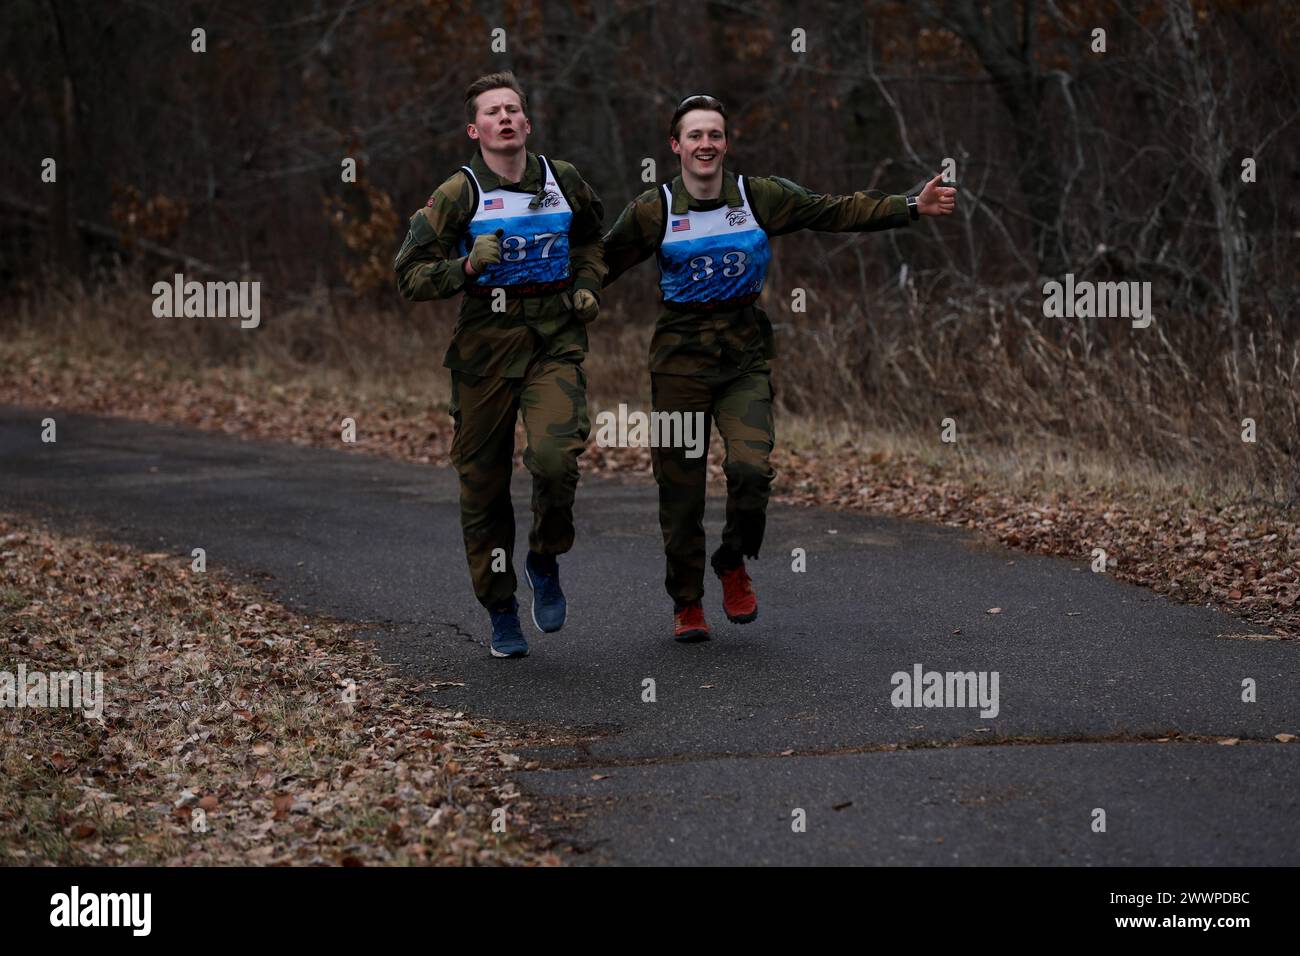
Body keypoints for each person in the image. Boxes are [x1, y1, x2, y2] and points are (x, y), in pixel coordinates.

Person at [602, 93, 956, 641]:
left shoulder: (757, 195)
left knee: (751, 468)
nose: (705, 144)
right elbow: (600, 263)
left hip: (744, 355)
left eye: (714, 134)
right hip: (679, 361)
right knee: (680, 487)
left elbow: (833, 209)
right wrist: (546, 301)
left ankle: (732, 559)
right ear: (675, 146)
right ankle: (687, 602)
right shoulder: (654, 209)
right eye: (694, 135)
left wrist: (909, 206)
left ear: (726, 143)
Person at [394, 71, 606, 658]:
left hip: (553, 340)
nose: (505, 118)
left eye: (513, 109)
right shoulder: (458, 194)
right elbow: (408, 274)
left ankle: (544, 555)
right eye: (493, 112)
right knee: (484, 487)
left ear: (528, 123)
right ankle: (500, 607)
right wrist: (462, 269)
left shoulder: (562, 180)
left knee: (555, 456)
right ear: (475, 129)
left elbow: (593, 241)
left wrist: (588, 284)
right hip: (485, 349)